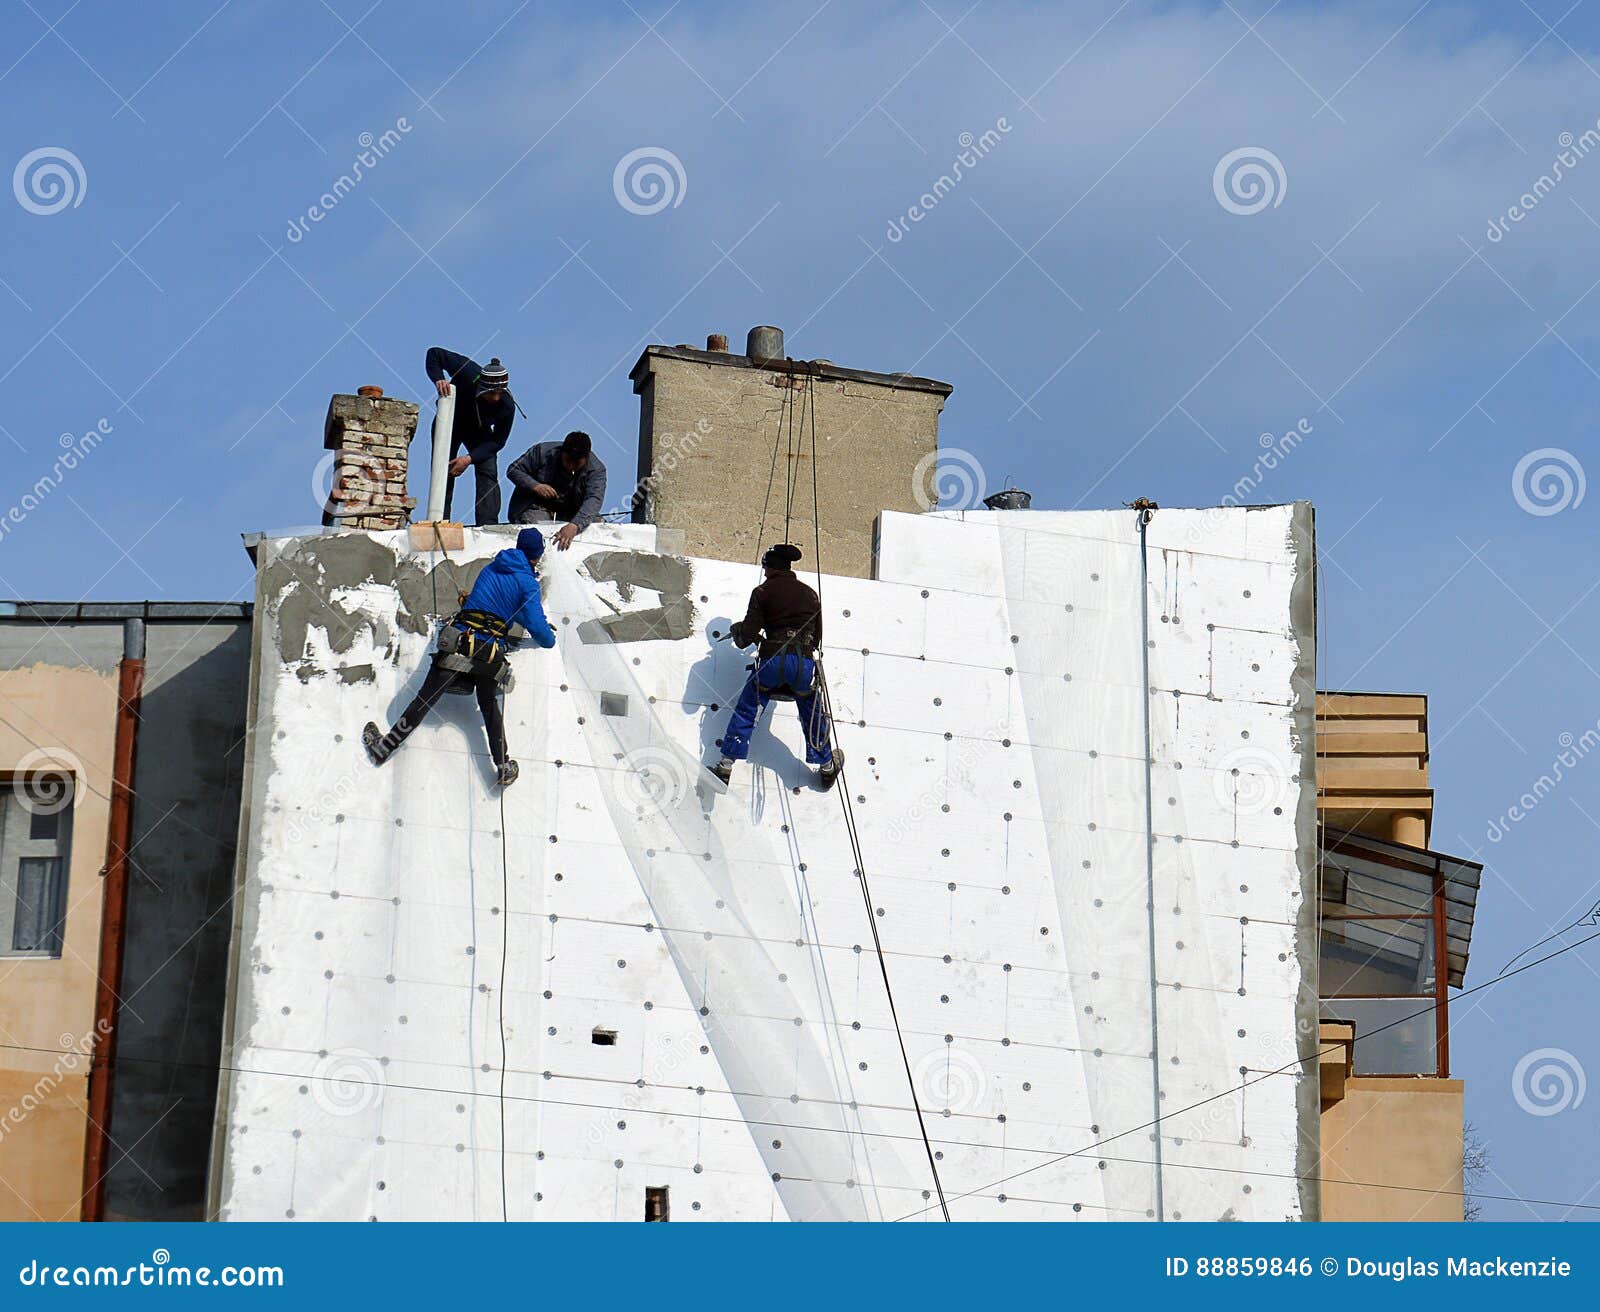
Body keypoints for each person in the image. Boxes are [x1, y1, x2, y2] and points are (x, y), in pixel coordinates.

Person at [362, 527, 555, 786]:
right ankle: (503, 765)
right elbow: (540, 633)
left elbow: (492, 604)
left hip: (460, 641)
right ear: (537, 557)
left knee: (425, 699)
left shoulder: (492, 567)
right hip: (489, 653)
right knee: (489, 705)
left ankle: (385, 747)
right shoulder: (528, 584)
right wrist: (550, 636)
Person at [711, 544, 842, 789]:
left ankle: (725, 765)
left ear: (771, 568)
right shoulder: (811, 594)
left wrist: (739, 632)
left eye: (765, 568)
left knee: (748, 709)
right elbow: (817, 637)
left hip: (773, 661)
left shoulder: (762, 591)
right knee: (811, 710)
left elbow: (747, 635)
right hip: (802, 664)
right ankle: (826, 766)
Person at [424, 346, 517, 526]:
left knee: (488, 469)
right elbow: (434, 354)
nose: (496, 398)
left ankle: (487, 523)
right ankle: (440, 521)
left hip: (478, 430)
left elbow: (498, 441)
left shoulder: (507, 406)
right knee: (444, 468)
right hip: (449, 421)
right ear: (482, 387)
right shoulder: (468, 371)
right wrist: (439, 380)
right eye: (492, 393)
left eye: (500, 393)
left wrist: (469, 458)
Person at [506, 430, 607, 551]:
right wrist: (536, 486)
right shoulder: (541, 452)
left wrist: (575, 525)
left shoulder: (597, 470)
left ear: (586, 458)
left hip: (571, 512)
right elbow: (513, 470)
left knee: (598, 526)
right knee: (540, 534)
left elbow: (594, 499)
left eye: (576, 463)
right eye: (568, 460)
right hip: (534, 508)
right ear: (562, 452)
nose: (570, 466)